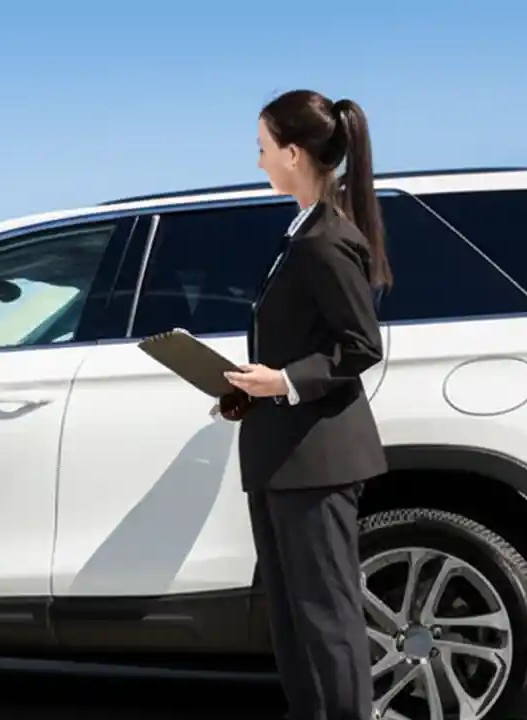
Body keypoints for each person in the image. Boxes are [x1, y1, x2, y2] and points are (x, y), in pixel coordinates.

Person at [221, 89, 391, 720]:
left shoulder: (325, 239)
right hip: (281, 456)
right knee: (294, 619)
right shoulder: (301, 234)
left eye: (263, 148)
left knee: (326, 617)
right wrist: (252, 388)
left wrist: (285, 380)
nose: (259, 159)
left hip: (315, 461)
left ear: (293, 153)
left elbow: (359, 346)